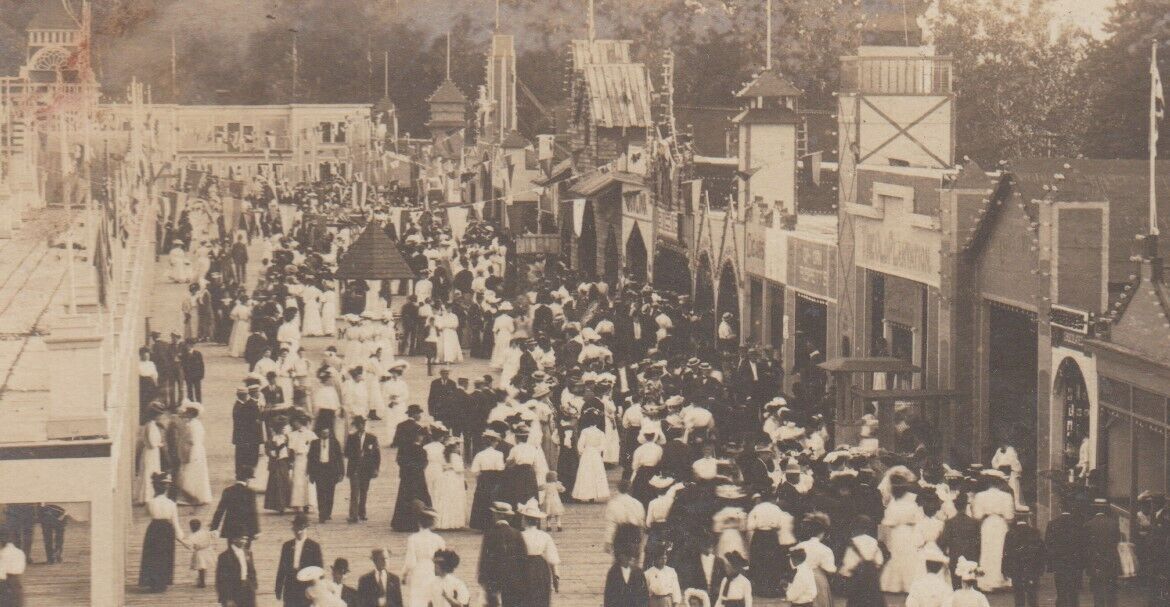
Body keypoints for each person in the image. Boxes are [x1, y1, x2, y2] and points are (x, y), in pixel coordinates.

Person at [140, 473, 185, 592]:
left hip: (153, 528)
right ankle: (162, 582)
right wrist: (181, 536)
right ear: (166, 488)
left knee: (153, 555)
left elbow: (146, 514)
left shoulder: (150, 502)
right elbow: (175, 523)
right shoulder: (171, 504)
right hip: (166, 530)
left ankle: (152, 582)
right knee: (164, 555)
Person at [971, 472, 1015, 591]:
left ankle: (987, 581)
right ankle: (1001, 579)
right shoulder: (1006, 496)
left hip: (987, 525)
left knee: (987, 551)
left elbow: (977, 515)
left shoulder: (980, 496)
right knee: (1001, 550)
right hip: (1001, 525)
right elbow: (1010, 516)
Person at [478, 502, 525, 607]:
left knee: (492, 603)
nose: (493, 516)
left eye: (495, 514)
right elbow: (522, 557)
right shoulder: (516, 533)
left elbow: (484, 557)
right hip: (513, 577)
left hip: (493, 577)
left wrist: (482, 576)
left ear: (500, 515)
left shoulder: (490, 533)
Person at [276, 514, 325, 607]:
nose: (298, 532)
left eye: (301, 529)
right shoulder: (287, 546)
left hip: (307, 586)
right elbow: (281, 568)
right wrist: (278, 588)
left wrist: (319, 589)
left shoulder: (314, 546)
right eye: (296, 529)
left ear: (307, 528)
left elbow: (320, 569)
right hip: (290, 586)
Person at [519, 499, 561, 606]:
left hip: (524, 566)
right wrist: (556, 576)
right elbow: (552, 558)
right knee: (541, 596)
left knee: (524, 597)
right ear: (537, 521)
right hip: (540, 568)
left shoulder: (520, 536)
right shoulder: (544, 536)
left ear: (524, 519)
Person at [402, 508, 446, 607]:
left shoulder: (413, 538)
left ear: (419, 523)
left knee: (418, 599)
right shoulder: (438, 539)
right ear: (432, 524)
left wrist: (404, 574)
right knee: (434, 598)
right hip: (434, 570)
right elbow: (444, 558)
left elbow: (410, 561)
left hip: (418, 571)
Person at [1002, 506, 1045, 607]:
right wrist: (1040, 569)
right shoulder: (1035, 532)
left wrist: (1005, 570)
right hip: (1032, 569)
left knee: (1018, 597)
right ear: (1027, 518)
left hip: (1016, 569)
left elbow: (1006, 553)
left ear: (1016, 517)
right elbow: (1041, 553)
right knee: (1033, 597)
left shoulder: (1010, 533)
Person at [1045, 499, 1085, 607]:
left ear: (1060, 508)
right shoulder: (1079, 524)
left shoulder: (1052, 524)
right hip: (1074, 564)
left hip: (1059, 564)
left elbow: (1048, 545)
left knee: (1061, 592)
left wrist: (1050, 564)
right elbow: (1082, 545)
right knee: (1073, 594)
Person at [1084, 498, 1120, 607]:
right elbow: (1117, 541)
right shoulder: (1114, 524)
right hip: (1110, 562)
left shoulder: (1088, 525)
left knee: (1097, 592)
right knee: (1111, 592)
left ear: (1095, 509)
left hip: (1095, 562)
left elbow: (1086, 546)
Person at [345, 416, 381, 523]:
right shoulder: (351, 437)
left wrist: (376, 469)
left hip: (367, 469)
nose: (361, 426)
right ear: (356, 426)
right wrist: (356, 453)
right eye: (359, 424)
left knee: (364, 491)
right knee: (354, 492)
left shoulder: (372, 438)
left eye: (362, 424)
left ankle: (362, 513)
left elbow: (377, 455)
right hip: (355, 468)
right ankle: (353, 515)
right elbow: (346, 453)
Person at [210, 467, 260, 542]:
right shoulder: (250, 492)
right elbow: (253, 512)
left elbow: (220, 510)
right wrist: (256, 531)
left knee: (232, 550)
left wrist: (214, 528)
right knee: (245, 551)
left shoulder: (228, 491)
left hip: (230, 528)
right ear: (247, 479)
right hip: (246, 529)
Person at [178, 401, 213, 506]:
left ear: (192, 414)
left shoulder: (190, 425)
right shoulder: (197, 424)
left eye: (188, 413)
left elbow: (190, 440)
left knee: (191, 471)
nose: (186, 414)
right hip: (199, 449)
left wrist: (184, 449)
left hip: (193, 449)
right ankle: (200, 495)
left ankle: (191, 495)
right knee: (198, 471)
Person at [308, 425, 345, 523]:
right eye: (323, 433)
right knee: (320, 493)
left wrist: (341, 472)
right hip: (319, 470)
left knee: (330, 493)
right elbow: (310, 459)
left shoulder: (334, 443)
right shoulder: (315, 443)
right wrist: (310, 473)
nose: (325, 435)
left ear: (329, 433)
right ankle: (322, 514)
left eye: (327, 433)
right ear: (320, 433)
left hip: (331, 470)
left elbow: (339, 458)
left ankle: (328, 512)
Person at [572, 413, 610, 502]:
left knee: (585, 474)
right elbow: (603, 446)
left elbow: (580, 445)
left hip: (587, 453)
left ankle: (583, 494)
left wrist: (582, 451)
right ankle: (593, 496)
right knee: (595, 474)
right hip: (596, 454)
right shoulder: (600, 432)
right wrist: (597, 450)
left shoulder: (585, 431)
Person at [216, 535, 258, 607]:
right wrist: (227, 599)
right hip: (233, 592)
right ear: (234, 539)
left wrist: (253, 585)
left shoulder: (248, 553)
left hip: (248, 591)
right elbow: (221, 580)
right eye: (242, 539)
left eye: (246, 539)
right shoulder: (224, 556)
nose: (245, 541)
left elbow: (252, 571)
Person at [434, 439, 467, 530]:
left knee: (445, 499)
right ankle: (454, 522)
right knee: (454, 499)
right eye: (457, 446)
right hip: (454, 478)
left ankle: (443, 522)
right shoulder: (456, 456)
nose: (458, 448)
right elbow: (459, 469)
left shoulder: (443, 455)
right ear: (453, 447)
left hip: (444, 478)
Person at [289, 414, 319, 513]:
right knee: (298, 481)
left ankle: (308, 503)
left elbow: (315, 448)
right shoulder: (292, 434)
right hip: (298, 459)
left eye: (296, 422)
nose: (294, 424)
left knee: (308, 481)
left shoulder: (311, 434)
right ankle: (298, 504)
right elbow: (291, 450)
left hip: (308, 459)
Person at [233, 386, 264, 472]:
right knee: (246, 455)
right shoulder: (243, 406)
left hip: (246, 435)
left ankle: (245, 472)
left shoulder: (244, 405)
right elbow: (248, 421)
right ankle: (245, 472)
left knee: (246, 455)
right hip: (246, 435)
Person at [644, 543, 683, 607]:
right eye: (661, 558)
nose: (663, 561)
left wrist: (676, 603)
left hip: (667, 600)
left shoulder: (671, 571)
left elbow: (676, 589)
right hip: (654, 601)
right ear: (655, 559)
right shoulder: (648, 573)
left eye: (665, 558)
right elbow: (646, 591)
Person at [0, 528, 27, 607]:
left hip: (4, 587)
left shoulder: (2, 554)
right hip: (17, 587)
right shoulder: (19, 552)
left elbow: (1, 575)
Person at [186, 519, 215, 589]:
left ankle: (202, 582)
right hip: (208, 551)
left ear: (191, 527)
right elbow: (213, 535)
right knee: (204, 567)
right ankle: (202, 580)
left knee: (201, 568)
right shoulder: (205, 532)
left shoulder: (192, 536)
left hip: (199, 553)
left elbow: (189, 545)